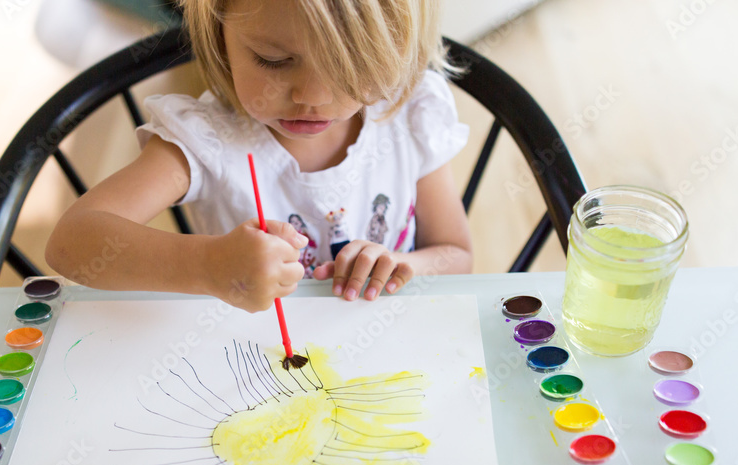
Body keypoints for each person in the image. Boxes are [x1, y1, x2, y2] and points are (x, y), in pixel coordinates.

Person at [45, 0, 472, 313]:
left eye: (349, 65)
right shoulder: (208, 140)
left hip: (392, 348)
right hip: (249, 368)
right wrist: (207, 266)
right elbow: (72, 243)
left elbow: (456, 255)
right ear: (219, 35)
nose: (312, 97)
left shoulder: (409, 118)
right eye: (274, 60)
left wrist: (404, 267)